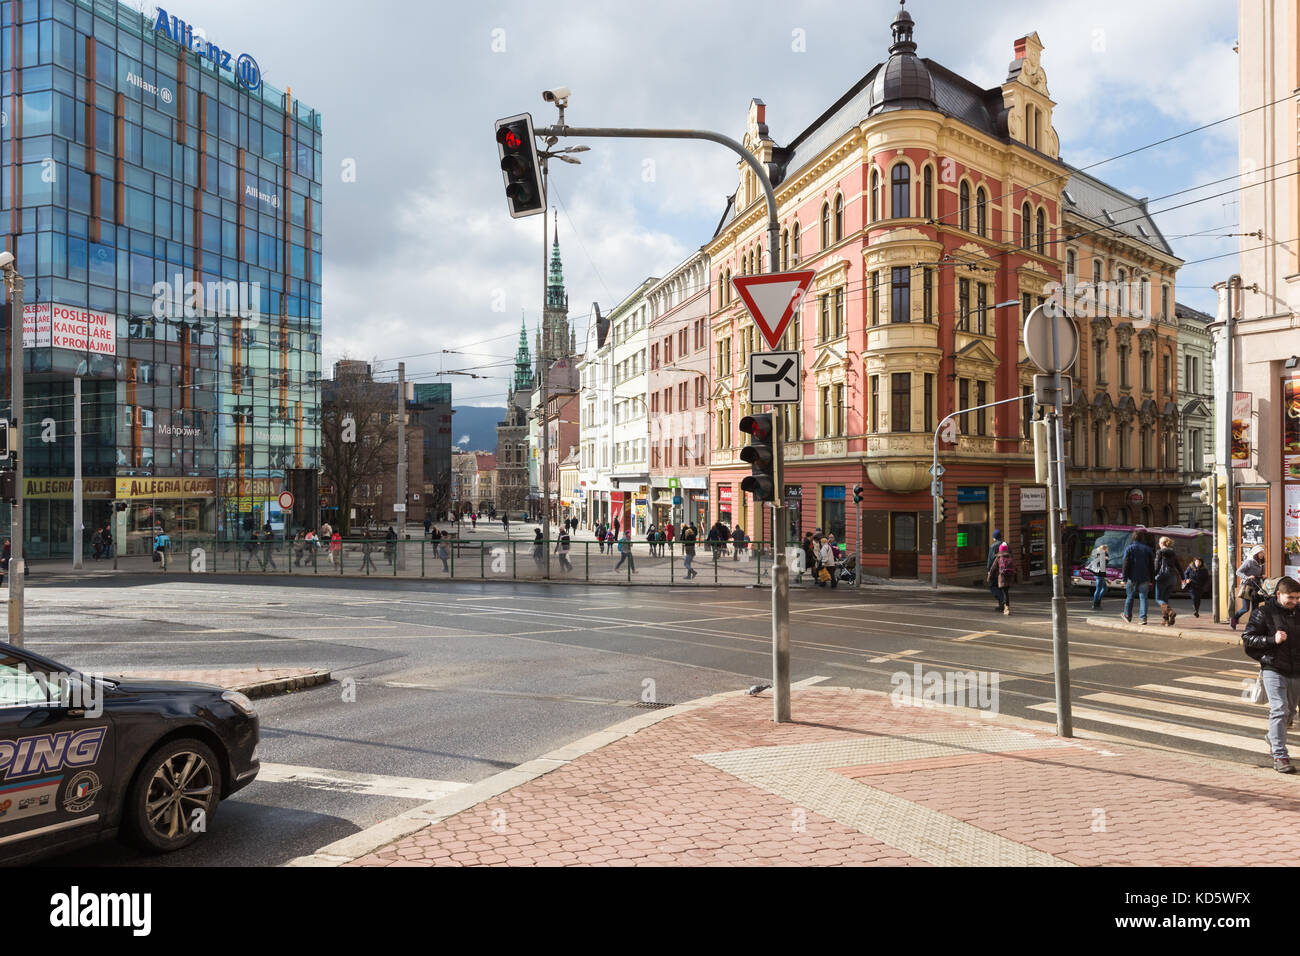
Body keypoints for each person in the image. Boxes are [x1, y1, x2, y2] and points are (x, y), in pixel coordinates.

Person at [1242, 576, 1300, 772]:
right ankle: (1280, 756)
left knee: (1290, 714)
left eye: (1298, 598)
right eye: (1290, 597)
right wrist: (1271, 640)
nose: (1294, 601)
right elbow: (1248, 639)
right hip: (1273, 668)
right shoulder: (1264, 613)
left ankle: (1273, 737)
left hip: (1297, 670)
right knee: (1280, 709)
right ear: (1278, 595)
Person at [1121, 530, 1156, 624]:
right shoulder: (1148, 549)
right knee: (1143, 598)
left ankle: (1127, 616)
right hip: (1145, 577)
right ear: (1142, 538)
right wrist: (1152, 579)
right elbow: (1151, 566)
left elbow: (1125, 564)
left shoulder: (1129, 548)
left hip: (1132, 577)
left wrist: (1124, 578)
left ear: (1133, 538)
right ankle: (1143, 618)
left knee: (1130, 597)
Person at [1230, 546, 1268, 630]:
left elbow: (1262, 574)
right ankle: (1234, 619)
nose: (1262, 554)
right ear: (1256, 554)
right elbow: (1238, 572)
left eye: (1262, 553)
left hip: (1256, 587)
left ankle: (1251, 626)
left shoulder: (1261, 563)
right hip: (1247, 587)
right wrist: (1248, 577)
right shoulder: (1249, 562)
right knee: (1245, 608)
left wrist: (1263, 576)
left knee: (1255, 608)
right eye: (1260, 553)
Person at [1153, 536, 1186, 626]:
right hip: (1172, 578)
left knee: (1158, 599)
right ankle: (1166, 620)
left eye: (1159, 543)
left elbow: (1156, 566)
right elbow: (1178, 567)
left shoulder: (1160, 552)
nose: (1158, 544)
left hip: (1162, 578)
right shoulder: (1173, 553)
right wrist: (1183, 578)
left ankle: (1171, 612)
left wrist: (1152, 576)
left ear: (1162, 544)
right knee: (1165, 600)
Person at [987, 541, 1017, 614]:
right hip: (1009, 577)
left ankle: (1005, 608)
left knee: (1004, 593)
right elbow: (1015, 568)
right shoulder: (1009, 556)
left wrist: (989, 577)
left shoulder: (998, 557)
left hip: (1002, 578)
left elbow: (992, 568)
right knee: (1005, 592)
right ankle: (1004, 606)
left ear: (1000, 550)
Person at [1086, 542, 1110, 610]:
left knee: (1104, 588)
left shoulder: (1100, 554)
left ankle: (1097, 601)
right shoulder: (1103, 555)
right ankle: (1095, 604)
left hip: (1098, 574)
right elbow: (1102, 567)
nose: (1108, 550)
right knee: (1099, 589)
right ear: (1105, 549)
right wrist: (1105, 578)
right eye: (1107, 548)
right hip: (1099, 574)